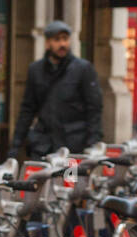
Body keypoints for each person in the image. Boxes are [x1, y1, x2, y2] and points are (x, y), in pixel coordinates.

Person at [10, 20, 103, 159]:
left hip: (73, 148)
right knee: (40, 180)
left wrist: (92, 142)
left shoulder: (83, 69)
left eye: (65, 39)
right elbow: (27, 109)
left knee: (70, 180)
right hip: (43, 146)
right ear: (48, 43)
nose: (62, 44)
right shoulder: (35, 70)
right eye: (57, 39)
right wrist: (15, 145)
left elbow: (94, 108)